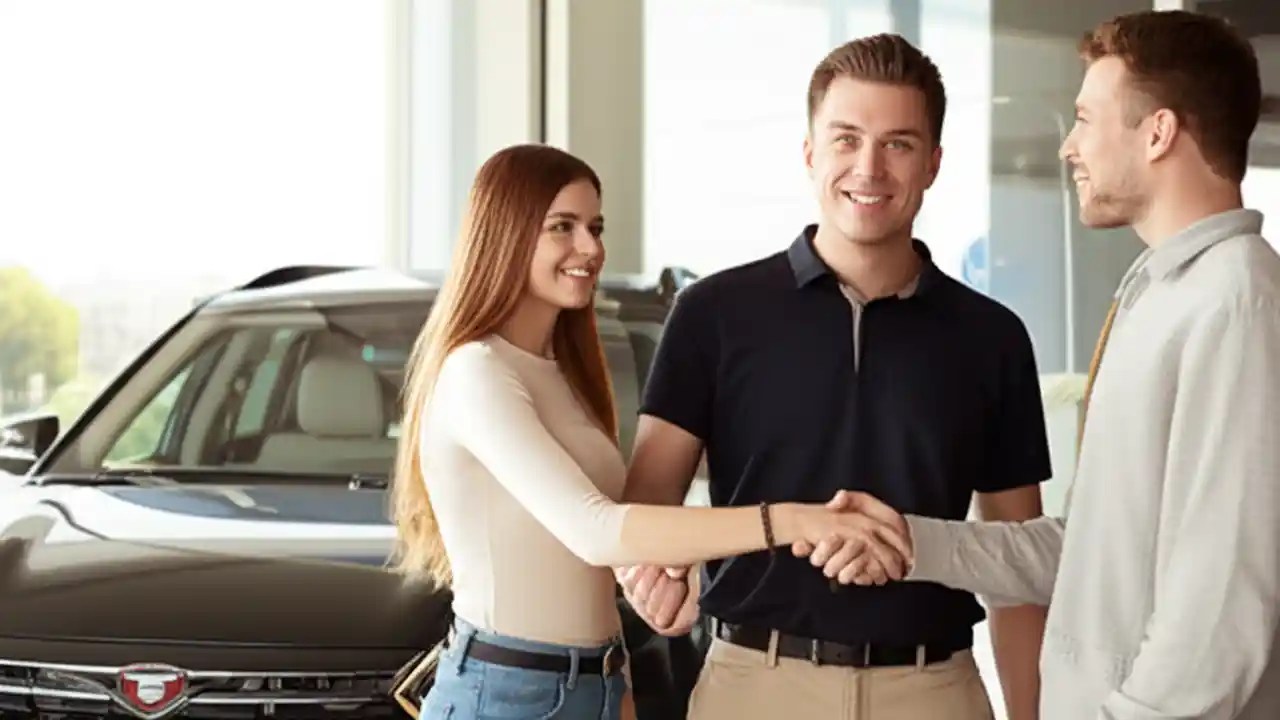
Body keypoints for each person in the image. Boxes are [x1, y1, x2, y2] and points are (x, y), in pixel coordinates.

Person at [810, 10, 1280, 720]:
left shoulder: (1237, 303)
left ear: (1157, 133)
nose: (1068, 146)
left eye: (1086, 118)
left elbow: (1221, 608)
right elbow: (1092, 545)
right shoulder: (1162, 295)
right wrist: (913, 543)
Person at [386, 143, 911, 720]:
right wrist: (795, 519)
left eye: (595, 226)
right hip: (509, 691)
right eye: (563, 227)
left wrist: (662, 588)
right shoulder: (475, 371)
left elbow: (606, 548)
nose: (591, 248)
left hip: (597, 682)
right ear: (505, 234)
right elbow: (597, 529)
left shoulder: (560, 375)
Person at [618, 33, 1052, 720]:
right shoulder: (714, 314)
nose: (869, 167)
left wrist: (1029, 713)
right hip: (754, 687)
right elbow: (643, 517)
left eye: (898, 144)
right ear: (810, 152)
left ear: (934, 163)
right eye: (846, 139)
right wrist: (653, 580)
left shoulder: (991, 337)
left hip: (934, 691)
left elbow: (1019, 562)